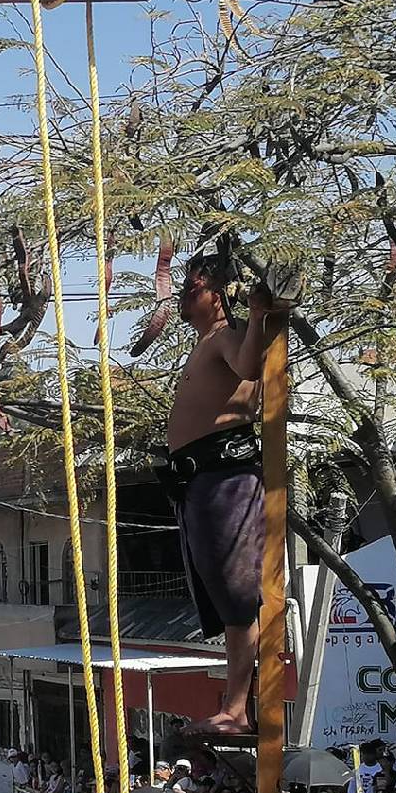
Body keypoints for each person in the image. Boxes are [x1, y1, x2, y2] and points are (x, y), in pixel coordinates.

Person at [159, 254, 282, 737]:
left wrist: (254, 315)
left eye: (197, 284)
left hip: (224, 475)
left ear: (217, 293)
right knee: (223, 598)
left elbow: (250, 365)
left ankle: (236, 708)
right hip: (199, 481)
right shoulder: (204, 341)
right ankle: (233, 705)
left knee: (236, 596)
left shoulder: (227, 336)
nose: (188, 291)